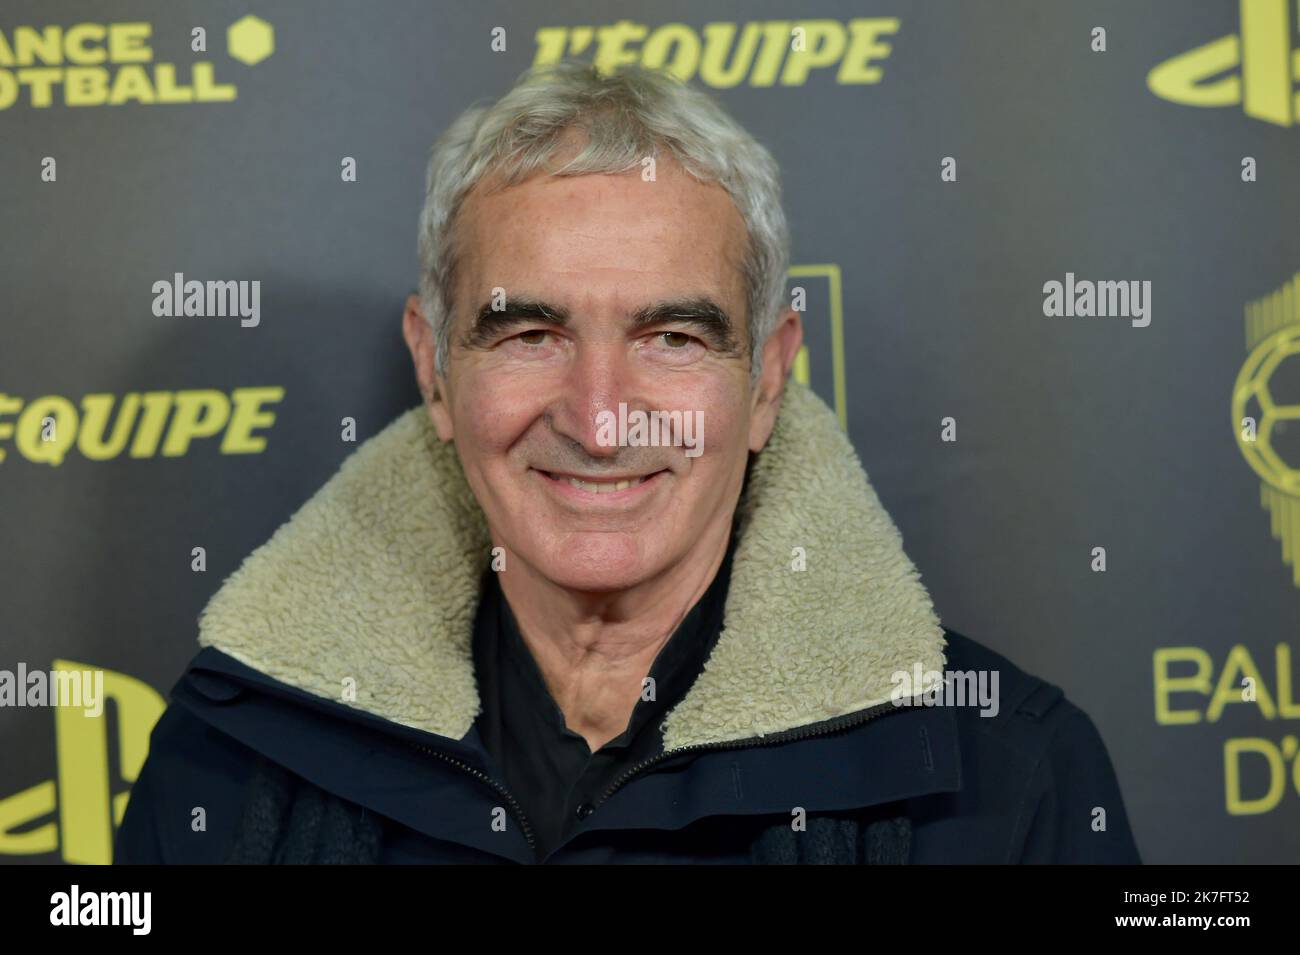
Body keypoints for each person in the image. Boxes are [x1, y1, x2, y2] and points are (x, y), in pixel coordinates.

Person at [114, 60, 1140, 864]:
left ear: (769, 380)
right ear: (433, 370)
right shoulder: (233, 755)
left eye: (672, 338)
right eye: (530, 335)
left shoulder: (1005, 777)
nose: (601, 420)